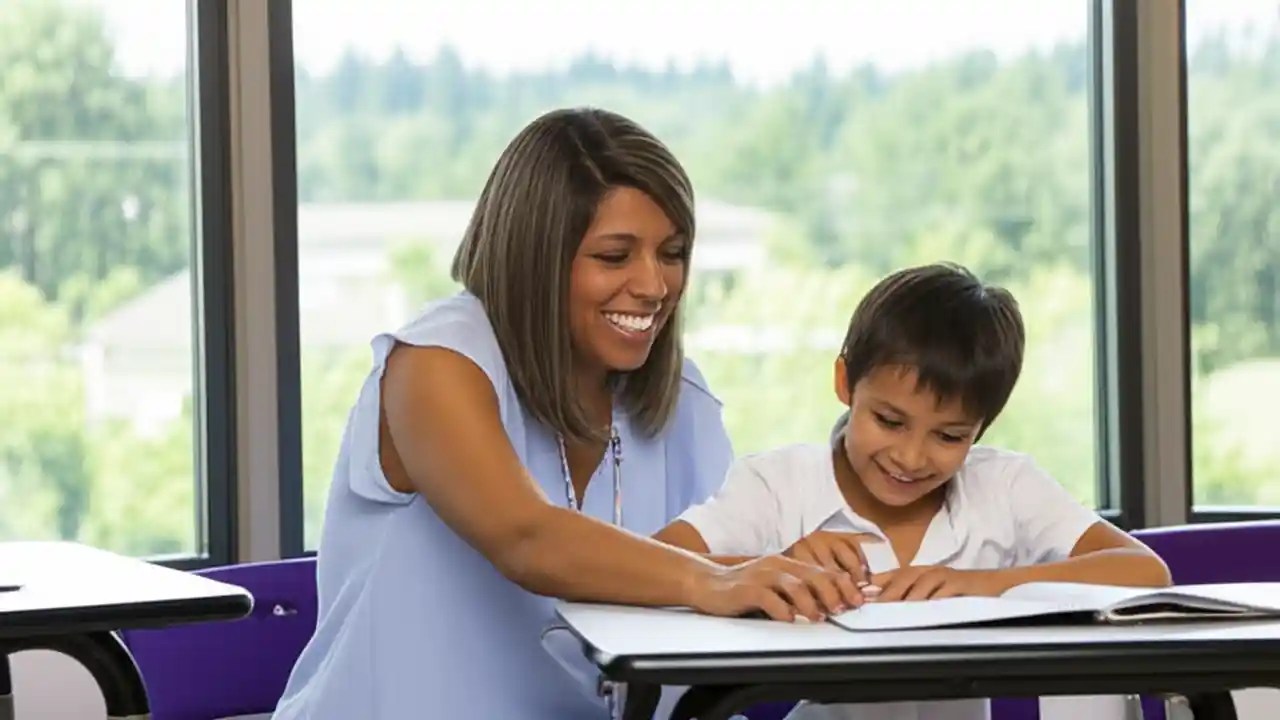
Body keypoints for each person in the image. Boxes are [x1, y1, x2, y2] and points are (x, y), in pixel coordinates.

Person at [271, 107, 861, 720]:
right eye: (614, 256)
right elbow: (527, 538)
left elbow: (681, 578)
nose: (654, 285)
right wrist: (716, 579)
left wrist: (786, 575)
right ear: (535, 258)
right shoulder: (437, 365)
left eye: (672, 253)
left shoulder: (682, 397)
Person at [653, 262, 1172, 720]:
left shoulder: (1005, 486)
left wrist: (981, 586)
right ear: (845, 383)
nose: (911, 457)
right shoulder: (777, 484)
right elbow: (653, 565)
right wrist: (774, 569)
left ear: (982, 429)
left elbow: (1144, 571)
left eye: (949, 436)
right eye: (889, 420)